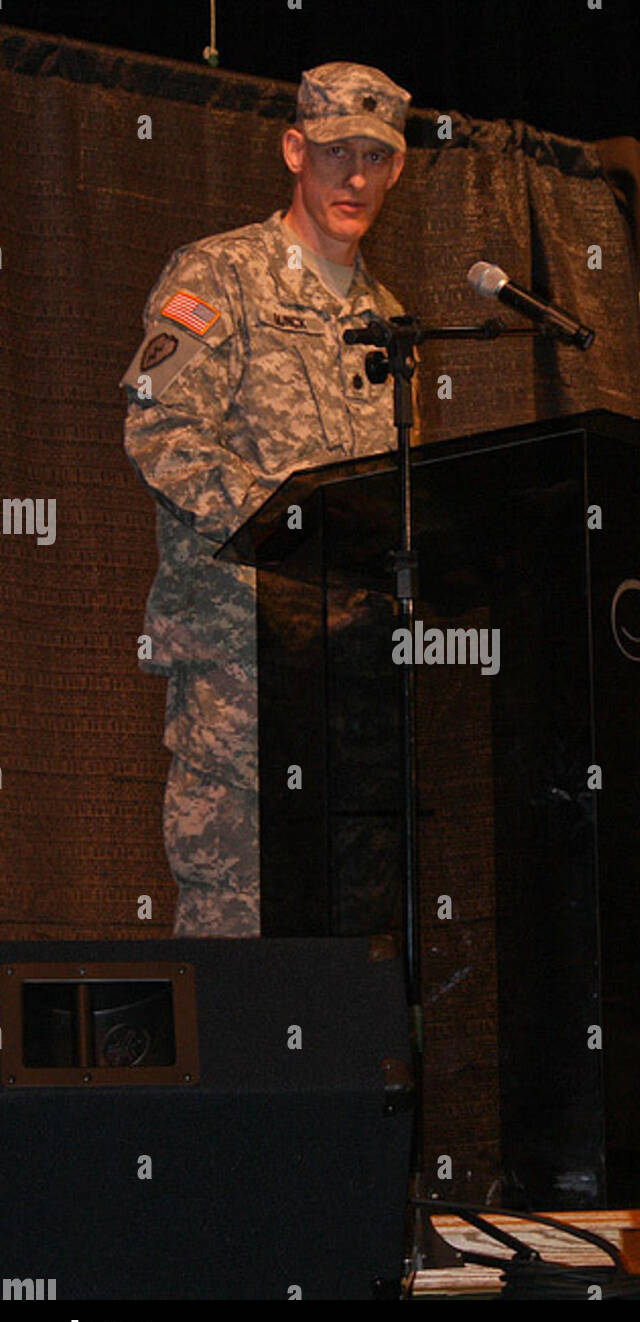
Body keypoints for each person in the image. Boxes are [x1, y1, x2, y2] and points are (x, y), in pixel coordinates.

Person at [120, 61, 412, 936]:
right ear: (294, 149)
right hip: (240, 667)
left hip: (356, 679)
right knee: (236, 926)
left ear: (396, 168)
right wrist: (292, 521)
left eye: (373, 156)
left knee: (351, 937)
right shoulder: (219, 276)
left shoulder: (388, 320)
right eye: (333, 154)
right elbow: (158, 429)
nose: (353, 177)